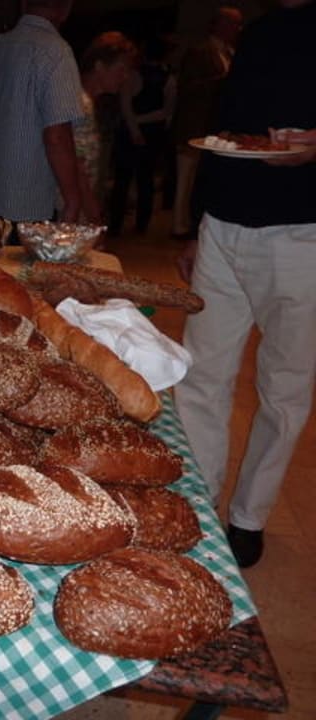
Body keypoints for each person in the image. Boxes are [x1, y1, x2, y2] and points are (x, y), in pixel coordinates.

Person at [174, 0, 316, 569]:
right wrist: (196, 226)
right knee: (200, 375)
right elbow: (224, 133)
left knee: (284, 388)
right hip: (223, 225)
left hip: (302, 233)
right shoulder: (257, 31)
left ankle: (249, 518)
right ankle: (199, 506)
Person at [0, 0, 83, 223]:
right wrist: (72, 200)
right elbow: (57, 136)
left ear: (23, 4)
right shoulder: (56, 51)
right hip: (27, 205)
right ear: (66, 9)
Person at [170, 6, 244, 239]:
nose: (237, 29)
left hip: (215, 127)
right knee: (185, 178)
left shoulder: (231, 52)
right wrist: (221, 81)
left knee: (200, 179)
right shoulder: (199, 51)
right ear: (220, 24)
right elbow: (187, 87)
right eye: (234, 24)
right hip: (194, 124)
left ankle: (193, 223)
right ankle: (178, 225)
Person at [108, 34, 176, 236]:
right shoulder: (168, 79)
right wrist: (144, 124)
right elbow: (167, 112)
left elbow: (125, 105)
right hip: (152, 132)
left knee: (125, 179)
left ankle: (116, 224)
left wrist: (134, 127)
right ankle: (141, 225)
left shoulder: (134, 75)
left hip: (131, 131)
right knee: (144, 179)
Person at [68, 32, 137, 224]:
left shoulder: (86, 101)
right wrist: (93, 211)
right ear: (99, 66)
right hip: (76, 207)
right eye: (121, 70)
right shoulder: (80, 104)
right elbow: (77, 165)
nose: (125, 77)